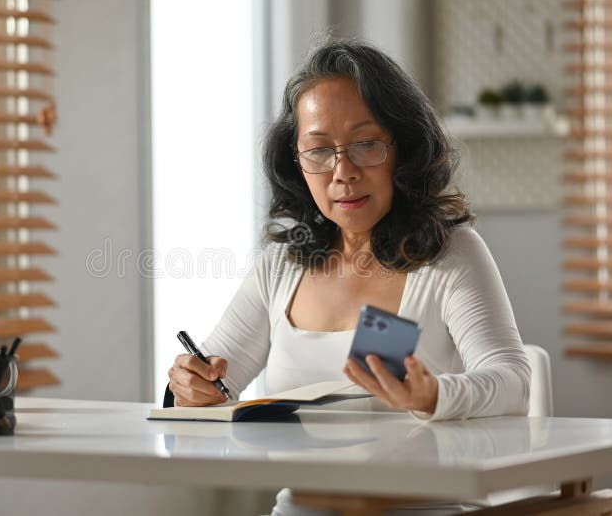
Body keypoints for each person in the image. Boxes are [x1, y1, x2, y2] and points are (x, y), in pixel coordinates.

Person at [165, 38, 530, 516]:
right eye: (319, 151)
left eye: (366, 144)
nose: (343, 172)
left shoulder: (449, 254)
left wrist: (434, 394)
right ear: (295, 163)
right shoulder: (281, 265)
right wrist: (187, 387)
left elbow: (514, 382)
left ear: (404, 148)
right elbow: (212, 380)